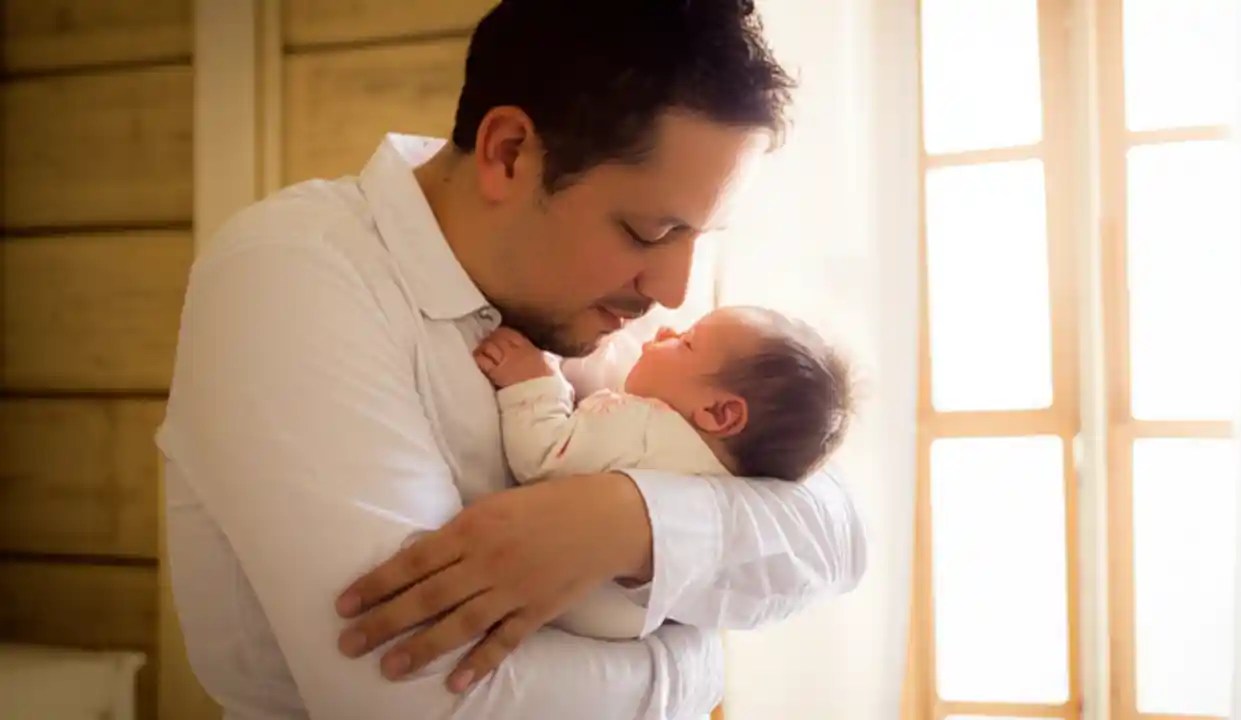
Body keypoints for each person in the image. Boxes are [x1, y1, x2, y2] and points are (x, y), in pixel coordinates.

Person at [159, 1, 867, 718]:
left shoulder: (609, 305)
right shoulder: (293, 277)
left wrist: (628, 521)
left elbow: (835, 533)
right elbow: (416, 701)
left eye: (697, 237)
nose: (674, 292)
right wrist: (695, 669)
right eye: (648, 231)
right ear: (508, 153)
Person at [474, 306, 857, 639]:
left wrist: (535, 378)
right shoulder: (728, 473)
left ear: (719, 413)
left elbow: (542, 457)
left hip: (573, 610)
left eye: (686, 342)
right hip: (626, 624)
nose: (665, 331)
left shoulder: (644, 428)